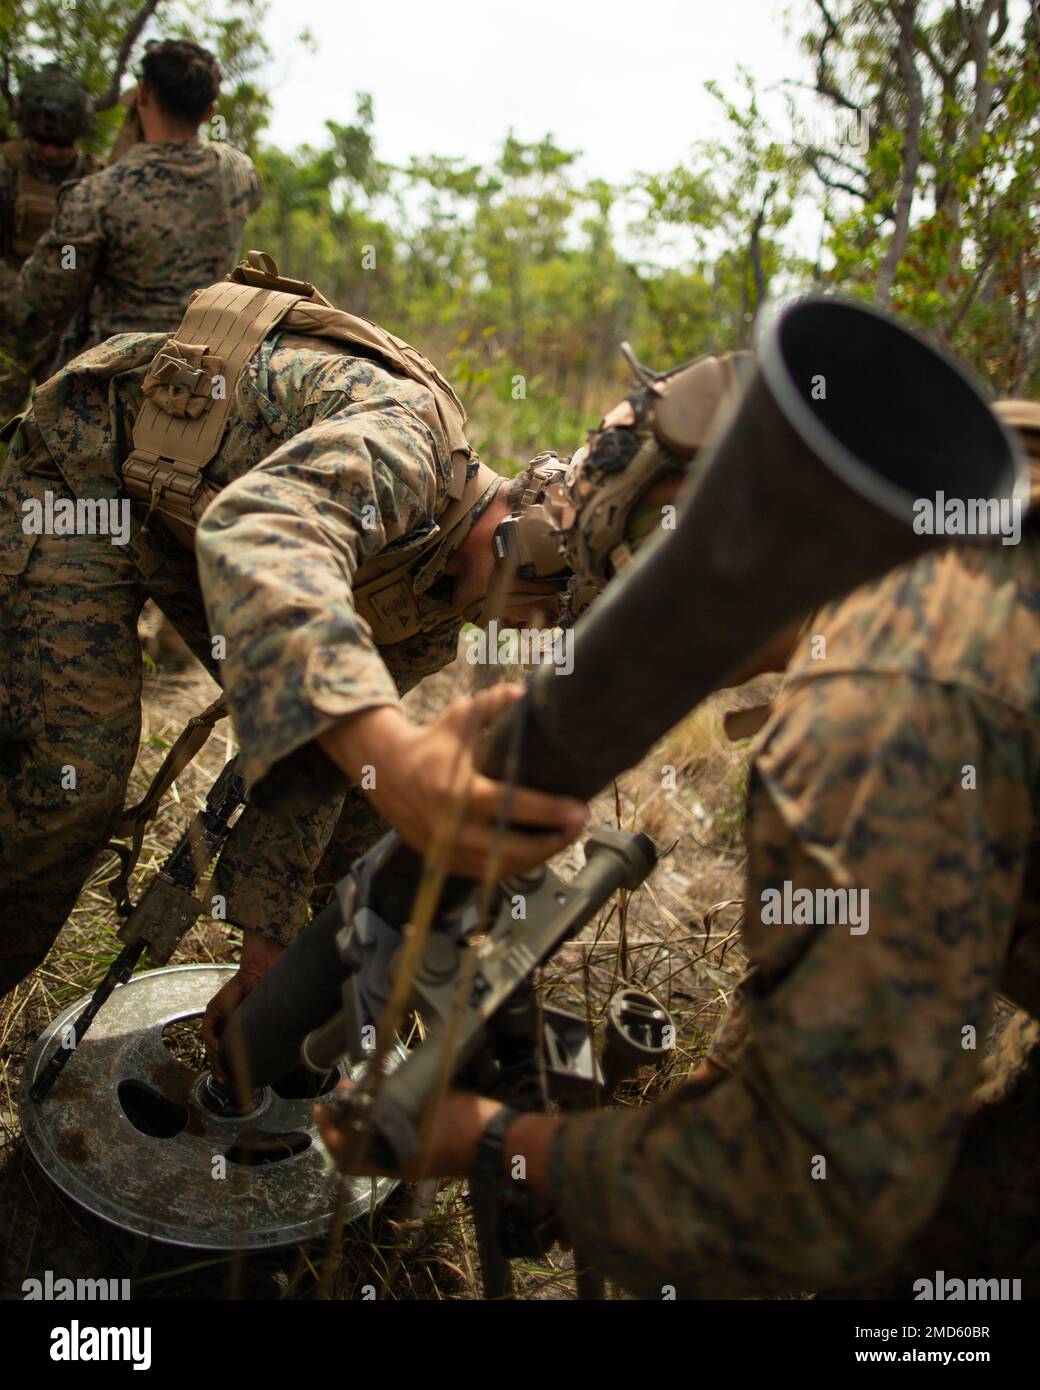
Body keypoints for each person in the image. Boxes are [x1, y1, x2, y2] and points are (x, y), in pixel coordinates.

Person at [318, 400, 1040, 1301]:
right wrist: (733, 1075)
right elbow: (886, 944)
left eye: (600, 612)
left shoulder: (871, 715)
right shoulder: (972, 467)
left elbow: (799, 1202)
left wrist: (486, 1140)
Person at [0, 255, 590, 1066]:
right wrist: (372, 735)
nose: (529, 635)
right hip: (83, 473)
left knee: (366, 809)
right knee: (76, 777)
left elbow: (316, 766)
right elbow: (267, 536)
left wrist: (267, 944)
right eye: (545, 612)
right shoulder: (403, 447)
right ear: (521, 544)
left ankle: (312, 1005)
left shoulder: (432, 615)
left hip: (183, 528)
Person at [0, 38, 262, 420]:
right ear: (209, 112)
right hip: (202, 385)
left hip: (113, 395)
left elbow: (41, 298)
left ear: (141, 94)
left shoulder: (97, 194)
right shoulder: (241, 174)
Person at [0, 65, 102, 419]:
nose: (50, 151)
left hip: (68, 327)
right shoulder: (8, 165)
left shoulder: (93, 177)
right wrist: (19, 297)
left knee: (63, 421)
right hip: (9, 320)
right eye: (42, 141)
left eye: (60, 143)